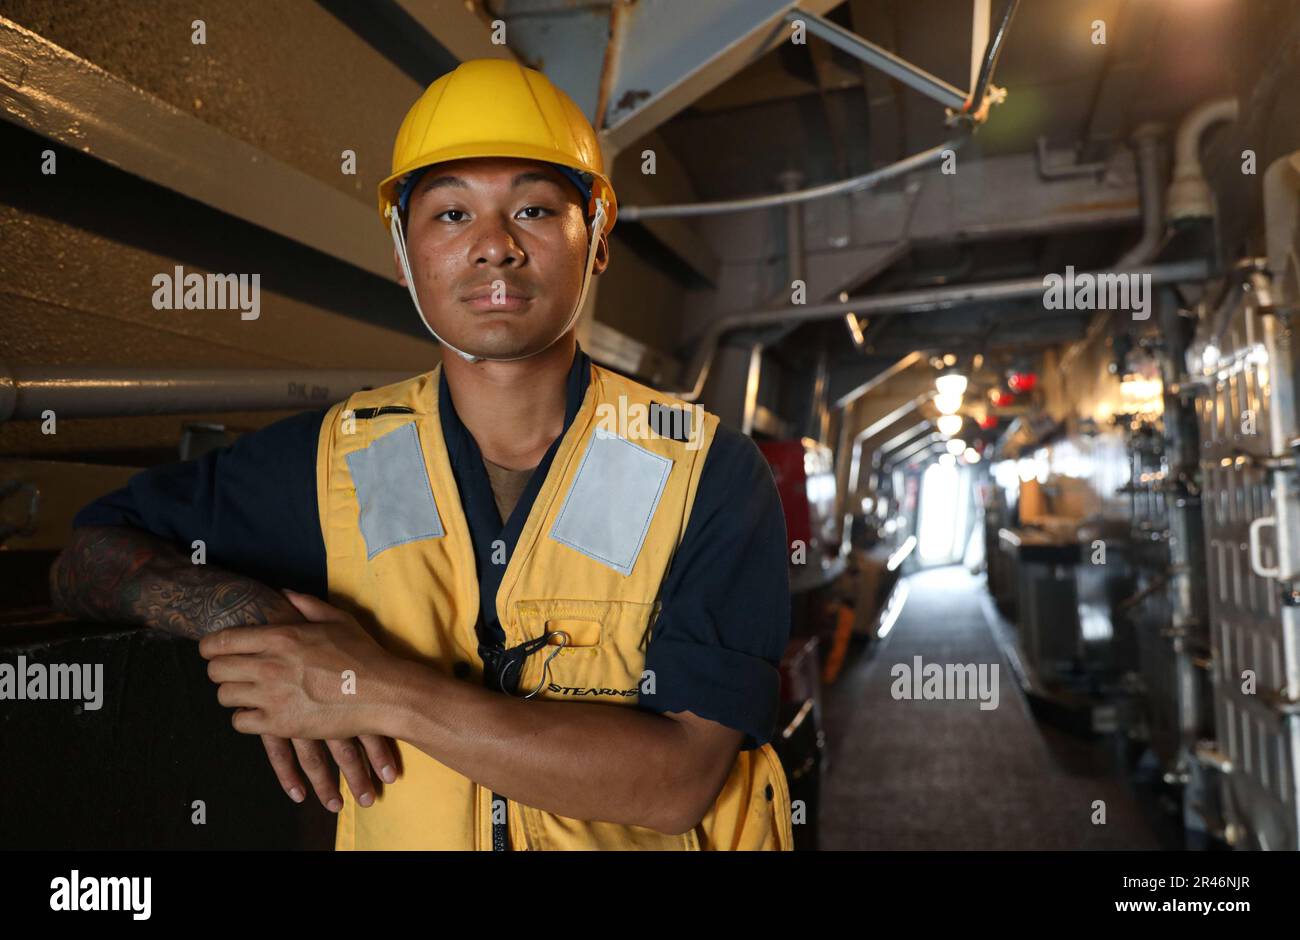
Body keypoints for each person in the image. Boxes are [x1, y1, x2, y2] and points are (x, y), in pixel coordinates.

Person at [50, 58, 793, 850]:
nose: (495, 247)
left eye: (535, 209)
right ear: (403, 257)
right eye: (450, 215)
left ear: (599, 240)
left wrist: (368, 687)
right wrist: (238, 612)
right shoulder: (335, 463)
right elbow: (85, 557)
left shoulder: (701, 472)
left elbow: (675, 784)